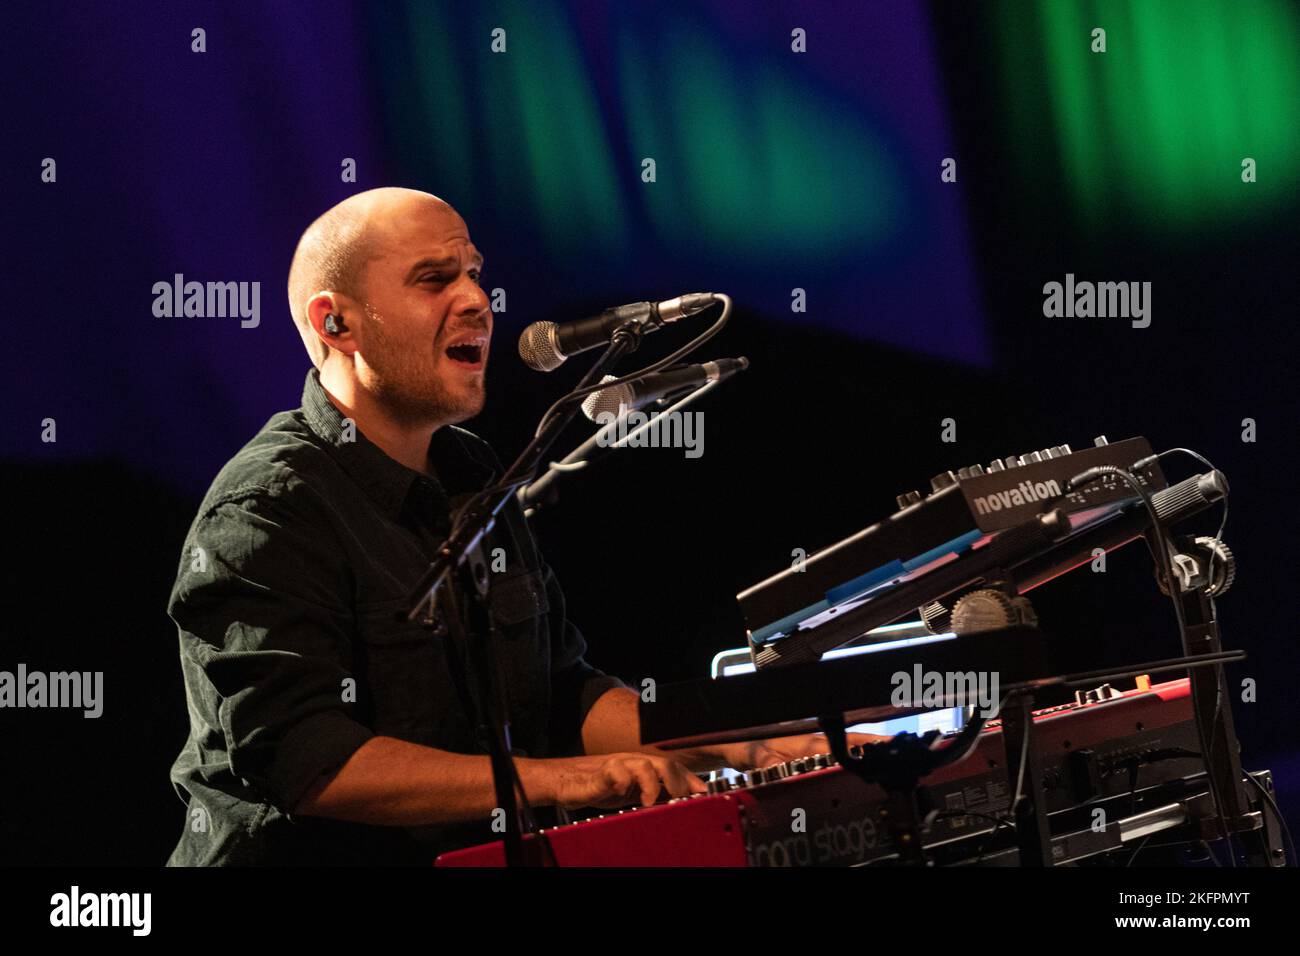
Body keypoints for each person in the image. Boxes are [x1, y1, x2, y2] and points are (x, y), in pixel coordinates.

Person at [166, 187, 881, 864]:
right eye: (433, 279)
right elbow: (305, 758)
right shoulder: (269, 508)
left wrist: (751, 745)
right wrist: (567, 780)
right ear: (337, 323)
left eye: (474, 274)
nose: (477, 300)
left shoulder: (474, 473)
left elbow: (563, 691)